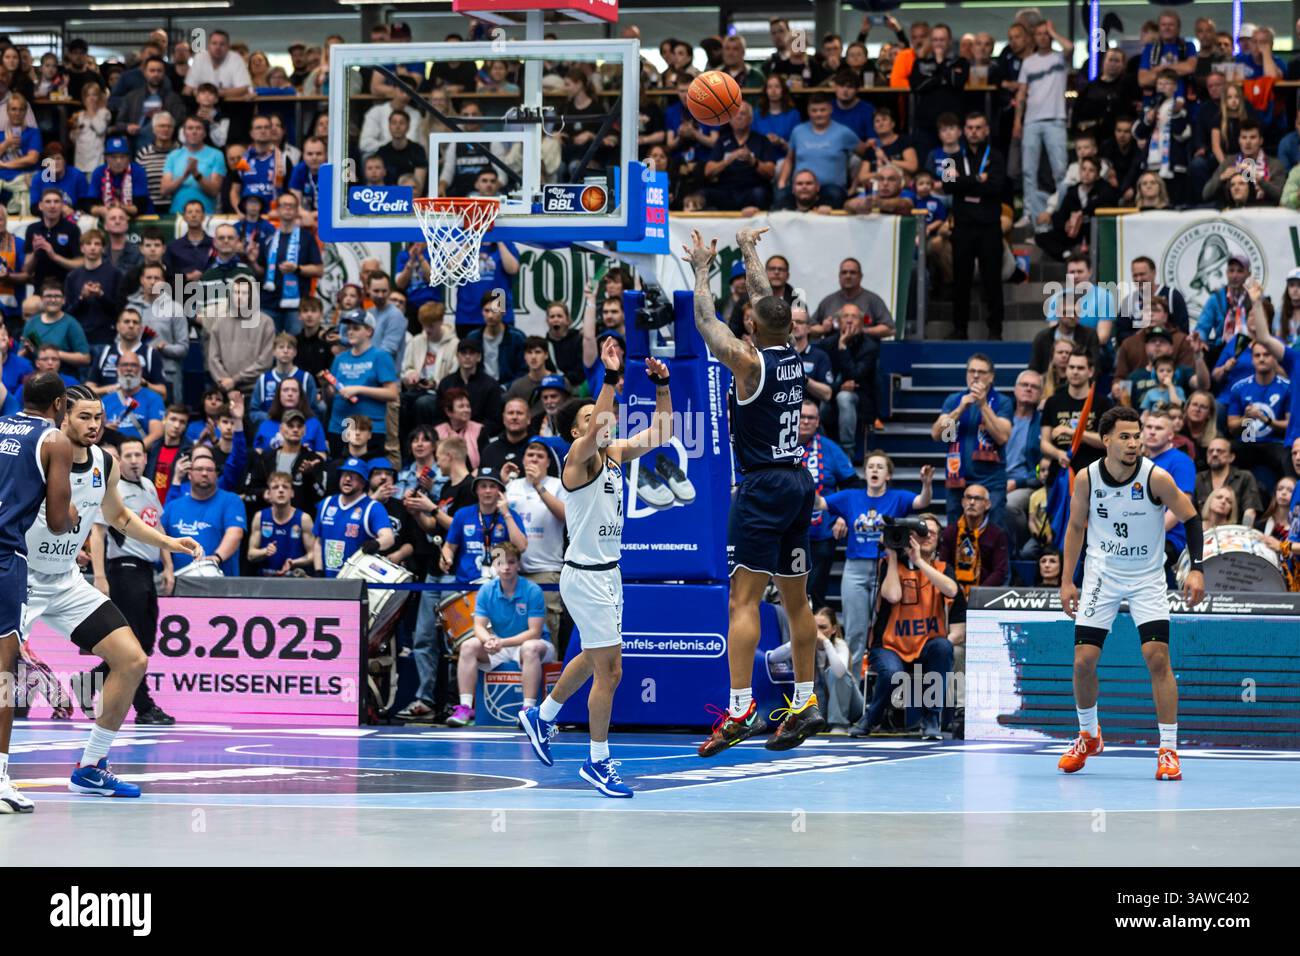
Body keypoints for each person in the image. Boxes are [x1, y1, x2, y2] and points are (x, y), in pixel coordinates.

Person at [684, 228, 824, 756]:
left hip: (763, 484)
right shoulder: (791, 353)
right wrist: (748, 250)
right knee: (797, 600)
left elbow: (704, 324)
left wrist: (702, 266)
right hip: (797, 480)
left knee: (742, 601)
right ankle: (805, 702)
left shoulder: (749, 362)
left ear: (750, 326)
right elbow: (768, 304)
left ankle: (741, 708)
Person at [24, 386, 202, 799]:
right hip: (21, 578)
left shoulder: (106, 462)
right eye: (84, 417)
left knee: (132, 659)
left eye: (98, 417)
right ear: (61, 415)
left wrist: (167, 542)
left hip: (67, 582)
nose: (93, 426)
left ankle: (90, 766)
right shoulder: (39, 454)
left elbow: (118, 516)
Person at [518, 342, 673, 796]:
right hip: (584, 575)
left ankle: (541, 716)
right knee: (612, 672)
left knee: (591, 657)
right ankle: (597, 760)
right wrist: (609, 378)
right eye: (588, 418)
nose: (601, 421)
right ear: (574, 433)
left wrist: (662, 385)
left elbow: (662, 433)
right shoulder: (577, 463)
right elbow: (596, 428)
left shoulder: (616, 454)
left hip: (610, 573)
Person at [1058, 406, 1205, 781]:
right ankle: (1088, 735)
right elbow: (1075, 527)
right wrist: (1066, 580)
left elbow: (1190, 516)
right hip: (1101, 576)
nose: (1134, 442)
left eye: (1137, 435)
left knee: (1156, 657)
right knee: (1082, 661)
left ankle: (1169, 750)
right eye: (1125, 436)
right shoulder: (1087, 479)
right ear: (1105, 440)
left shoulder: (1156, 477)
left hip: (1146, 578)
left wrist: (1197, 569)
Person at [0, 372, 76, 814]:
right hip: (6, 559)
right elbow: (56, 519)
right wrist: (74, 514)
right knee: (4, 674)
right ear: (60, 404)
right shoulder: (54, 441)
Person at [814, 451, 932, 677]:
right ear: (865, 472)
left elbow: (922, 501)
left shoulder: (897, 498)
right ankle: (852, 693)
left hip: (887, 568)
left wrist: (926, 484)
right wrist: (805, 480)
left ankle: (881, 688)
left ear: (888, 475)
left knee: (884, 632)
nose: (874, 470)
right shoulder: (850, 497)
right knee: (856, 634)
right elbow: (819, 503)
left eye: (880, 467)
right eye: (870, 467)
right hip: (855, 569)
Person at [86, 436, 173, 725]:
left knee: (145, 642)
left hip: (147, 571)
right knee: (132, 645)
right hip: (123, 570)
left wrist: (168, 566)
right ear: (119, 460)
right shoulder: (114, 491)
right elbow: (97, 534)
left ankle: (89, 684)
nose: (134, 460)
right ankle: (144, 707)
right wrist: (100, 576)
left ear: (146, 459)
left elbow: (157, 527)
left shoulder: (148, 486)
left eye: (139, 454)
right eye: (129, 455)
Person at [857, 514, 957, 739]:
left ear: (939, 539)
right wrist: (892, 555)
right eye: (923, 531)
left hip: (925, 645)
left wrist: (920, 561)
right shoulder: (889, 565)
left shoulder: (942, 567)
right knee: (893, 672)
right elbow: (892, 595)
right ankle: (871, 718)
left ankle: (931, 720)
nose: (927, 536)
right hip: (890, 644)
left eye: (932, 532)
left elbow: (951, 591)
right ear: (910, 536)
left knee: (943, 647)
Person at [455, 542, 555, 723]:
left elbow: (534, 632)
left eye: (511, 562)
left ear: (518, 564)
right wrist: (488, 641)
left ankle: (529, 711)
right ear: (494, 565)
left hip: (537, 646)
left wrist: (501, 642)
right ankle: (465, 708)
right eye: (501, 562)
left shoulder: (532, 590)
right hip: (502, 645)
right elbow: (479, 626)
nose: (506, 567)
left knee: (530, 647)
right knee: (468, 646)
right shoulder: (486, 590)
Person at [932, 352, 1012, 531]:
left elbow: (1002, 437)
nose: (976, 376)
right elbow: (938, 435)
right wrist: (960, 409)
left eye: (981, 372)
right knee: (955, 531)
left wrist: (983, 405)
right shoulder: (954, 400)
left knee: (993, 532)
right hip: (957, 479)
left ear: (991, 377)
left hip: (991, 481)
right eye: (972, 371)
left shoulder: (1001, 402)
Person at [946, 112, 1006, 340]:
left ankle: (995, 329)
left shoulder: (996, 157)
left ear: (986, 130)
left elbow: (996, 186)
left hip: (989, 226)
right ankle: (960, 329)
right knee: (961, 280)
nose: (973, 132)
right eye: (969, 127)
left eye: (978, 127)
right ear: (964, 130)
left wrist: (966, 183)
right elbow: (948, 185)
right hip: (963, 227)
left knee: (992, 281)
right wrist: (976, 179)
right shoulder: (952, 157)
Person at [160, 445, 245, 583]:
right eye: (199, 469)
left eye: (209, 470)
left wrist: (216, 558)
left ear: (216, 474)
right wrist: (167, 567)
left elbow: (235, 533)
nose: (204, 473)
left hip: (221, 584)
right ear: (189, 474)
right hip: (178, 586)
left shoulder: (231, 500)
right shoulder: (173, 506)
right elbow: (160, 538)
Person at [312, 458, 394, 579]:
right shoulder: (327, 503)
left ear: (363, 482)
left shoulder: (373, 507)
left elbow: (388, 538)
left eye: (354, 476)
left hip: (357, 580)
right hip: (327, 580)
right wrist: (318, 571)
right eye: (344, 474)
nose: (347, 479)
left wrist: (376, 544)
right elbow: (318, 542)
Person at [1226, 342, 1292, 490]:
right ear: (1252, 359)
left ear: (1274, 358)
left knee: (1290, 455)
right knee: (1227, 449)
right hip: (1247, 440)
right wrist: (1246, 418)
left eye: (1266, 355)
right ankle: (1227, 492)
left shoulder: (1287, 388)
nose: (1262, 359)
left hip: (1275, 443)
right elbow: (1231, 426)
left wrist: (1266, 420)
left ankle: (1290, 494)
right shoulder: (1239, 387)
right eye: (1257, 355)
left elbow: (1290, 425)